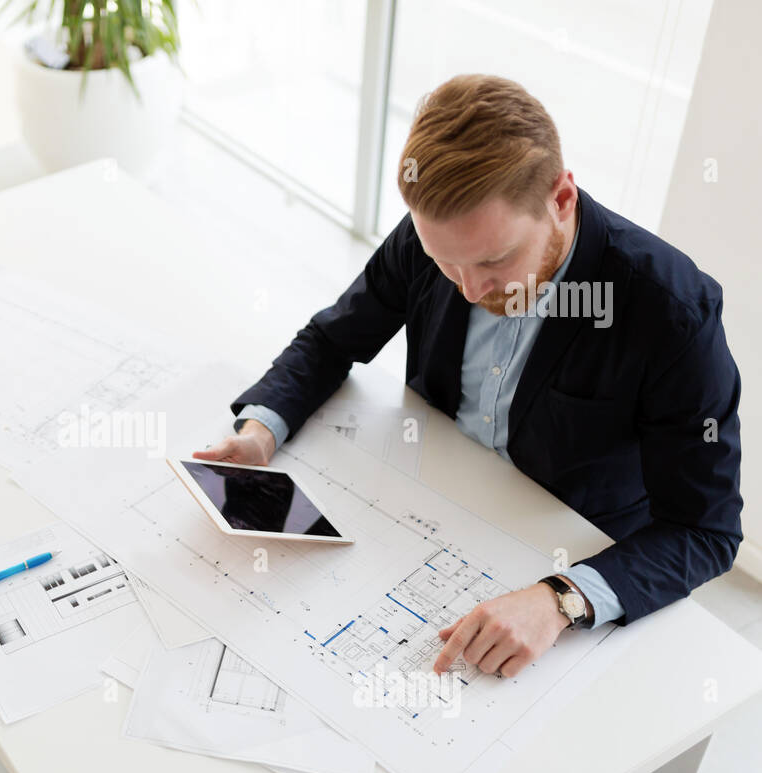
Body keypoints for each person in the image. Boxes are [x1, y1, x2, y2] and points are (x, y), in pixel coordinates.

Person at [193, 74, 742, 679]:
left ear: (560, 199)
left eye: (494, 261)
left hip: (567, 548)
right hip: (421, 508)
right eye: (444, 263)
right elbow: (332, 339)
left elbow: (704, 529)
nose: (472, 290)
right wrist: (259, 432)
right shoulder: (445, 235)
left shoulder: (669, 311)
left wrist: (561, 597)